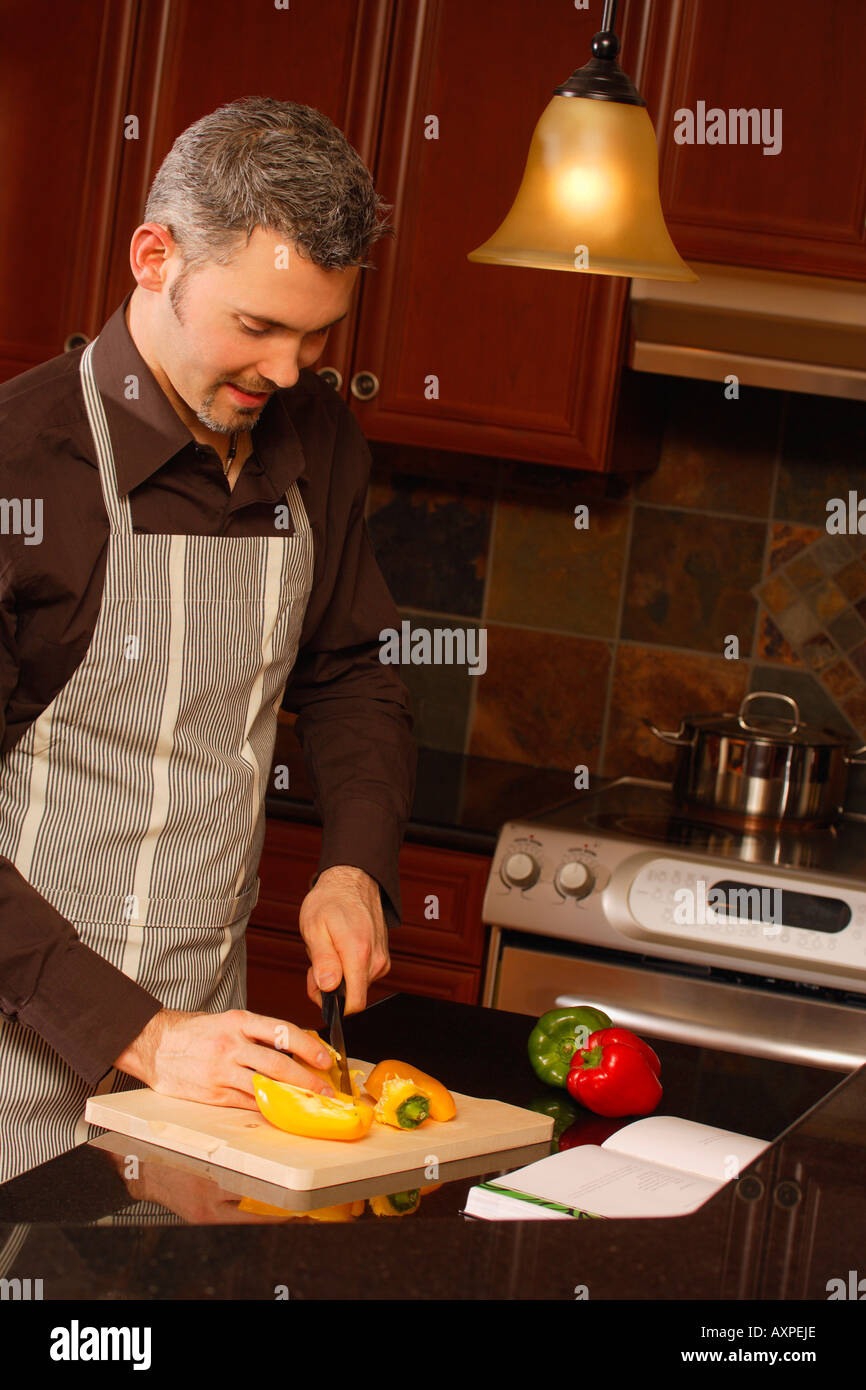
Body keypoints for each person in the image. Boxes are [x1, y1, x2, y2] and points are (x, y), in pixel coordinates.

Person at [0, 96, 417, 1183]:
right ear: (154, 257)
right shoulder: (17, 468)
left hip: (207, 1063)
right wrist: (140, 1033)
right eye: (257, 326)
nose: (286, 371)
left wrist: (353, 867)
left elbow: (349, 670)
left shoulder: (317, 441)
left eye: (315, 332)